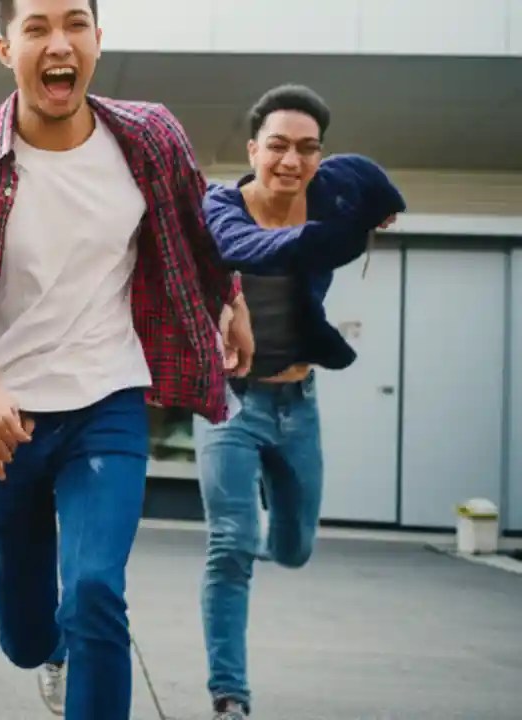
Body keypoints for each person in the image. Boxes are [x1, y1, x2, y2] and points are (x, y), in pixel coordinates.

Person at [0, 0, 253, 717]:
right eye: (36, 28)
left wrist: (232, 302)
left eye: (74, 25)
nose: (58, 43)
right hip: (2, 419)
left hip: (107, 400)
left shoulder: (148, 137)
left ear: (96, 40)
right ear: (5, 49)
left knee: (94, 589)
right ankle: (45, 652)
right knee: (27, 635)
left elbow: (197, 222)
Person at [195, 84, 405, 720]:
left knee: (293, 548)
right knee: (230, 542)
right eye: (278, 146)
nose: (291, 160)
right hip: (230, 403)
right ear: (254, 148)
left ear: (320, 156)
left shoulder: (324, 199)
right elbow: (243, 250)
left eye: (307, 149)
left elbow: (366, 179)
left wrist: (379, 206)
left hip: (298, 401)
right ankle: (229, 694)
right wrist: (336, 233)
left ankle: (256, 539)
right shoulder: (221, 207)